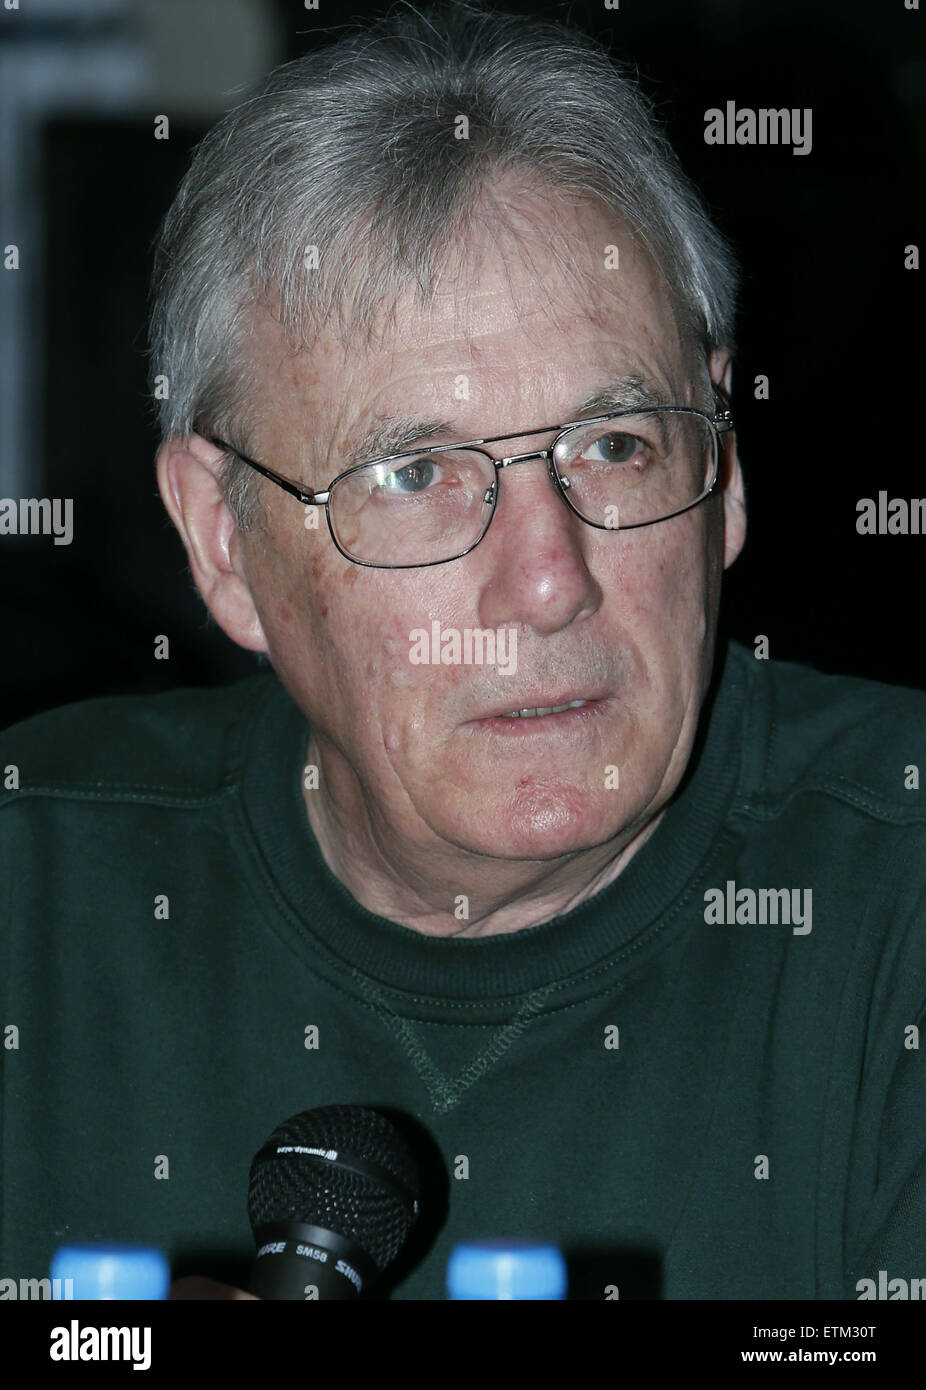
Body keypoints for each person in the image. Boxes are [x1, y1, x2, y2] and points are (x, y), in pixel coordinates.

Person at [2, 2, 924, 1303]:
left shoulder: (898, 890)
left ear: (722, 477)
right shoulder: (29, 894)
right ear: (223, 538)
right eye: (415, 472)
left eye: (614, 446)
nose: (548, 583)